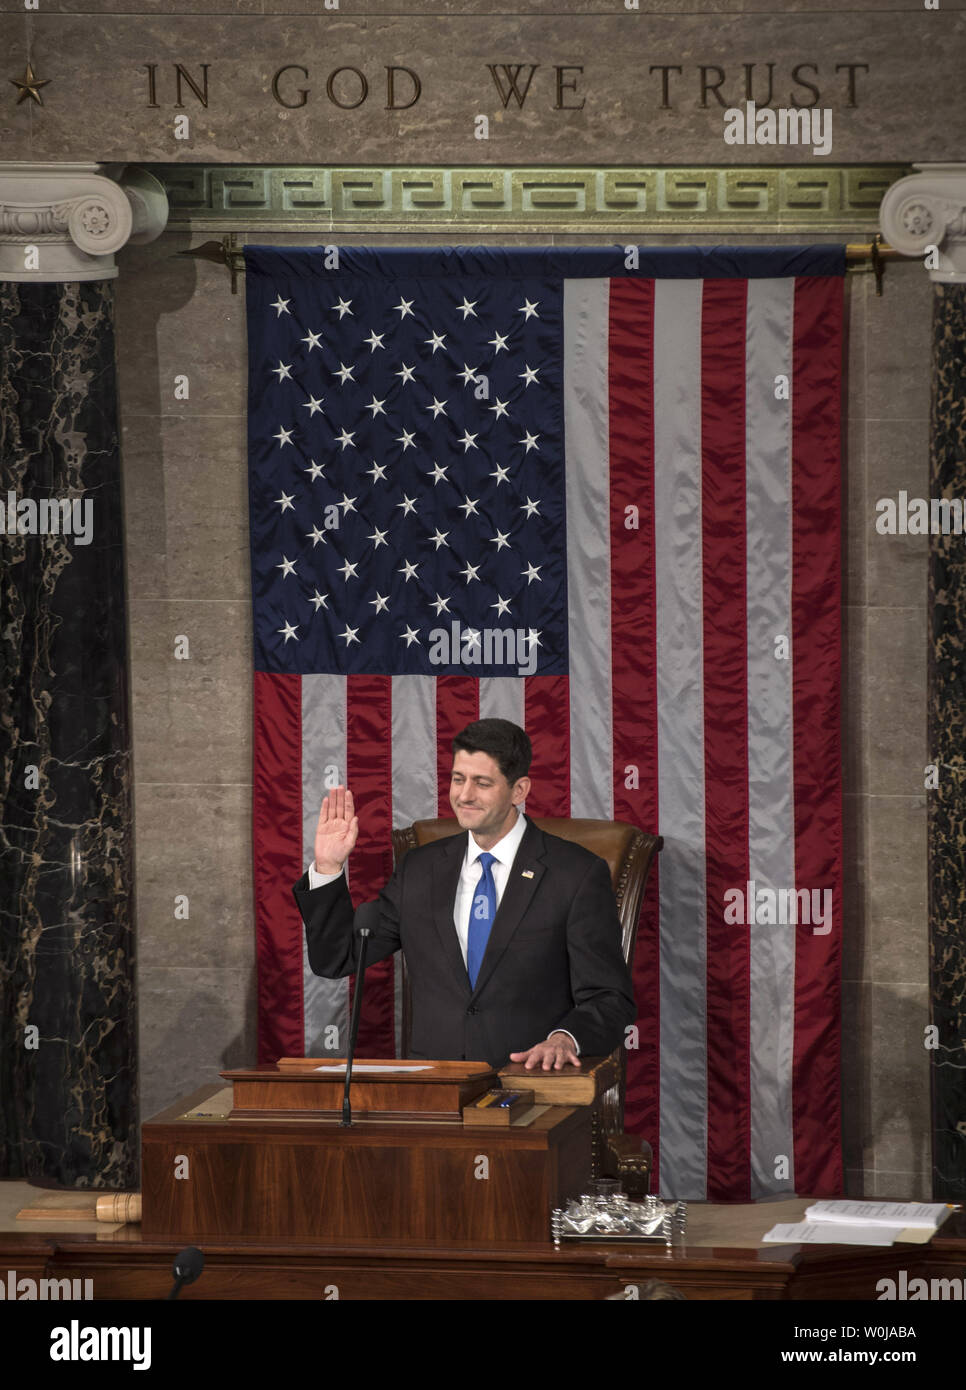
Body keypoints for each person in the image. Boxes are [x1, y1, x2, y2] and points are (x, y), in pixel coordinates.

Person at [292, 718, 636, 1070]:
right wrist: (328, 867)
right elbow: (338, 958)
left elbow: (609, 998)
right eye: (458, 779)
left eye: (482, 783)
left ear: (519, 790)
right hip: (435, 1092)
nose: (464, 795)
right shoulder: (420, 870)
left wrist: (564, 1038)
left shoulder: (575, 874)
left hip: (529, 1086)